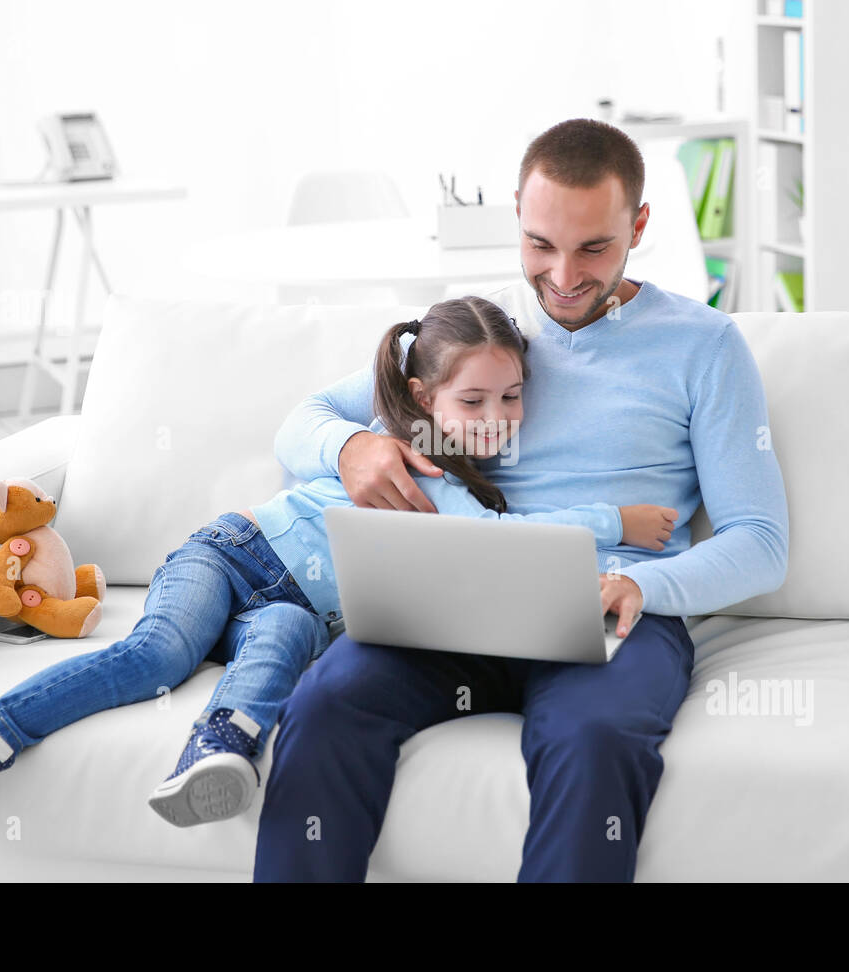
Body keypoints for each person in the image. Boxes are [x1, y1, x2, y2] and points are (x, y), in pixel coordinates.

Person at [0, 295, 680, 879]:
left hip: (297, 608)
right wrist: (616, 518)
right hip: (234, 553)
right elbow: (299, 431)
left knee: (287, 650)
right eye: (472, 401)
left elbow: (505, 544)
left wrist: (613, 528)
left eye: (512, 399)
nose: (497, 417)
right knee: (159, 653)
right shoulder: (387, 444)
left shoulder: (463, 492)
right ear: (422, 397)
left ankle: (218, 745)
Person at [253, 118, 790, 882]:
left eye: (593, 248)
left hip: (611, 613)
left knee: (594, 739)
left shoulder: (704, 347)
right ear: (515, 215)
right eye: (541, 244)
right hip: (448, 605)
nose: (564, 276)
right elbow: (300, 421)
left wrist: (644, 581)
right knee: (325, 704)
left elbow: (761, 539)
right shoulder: (478, 328)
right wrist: (352, 446)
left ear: (639, 224)